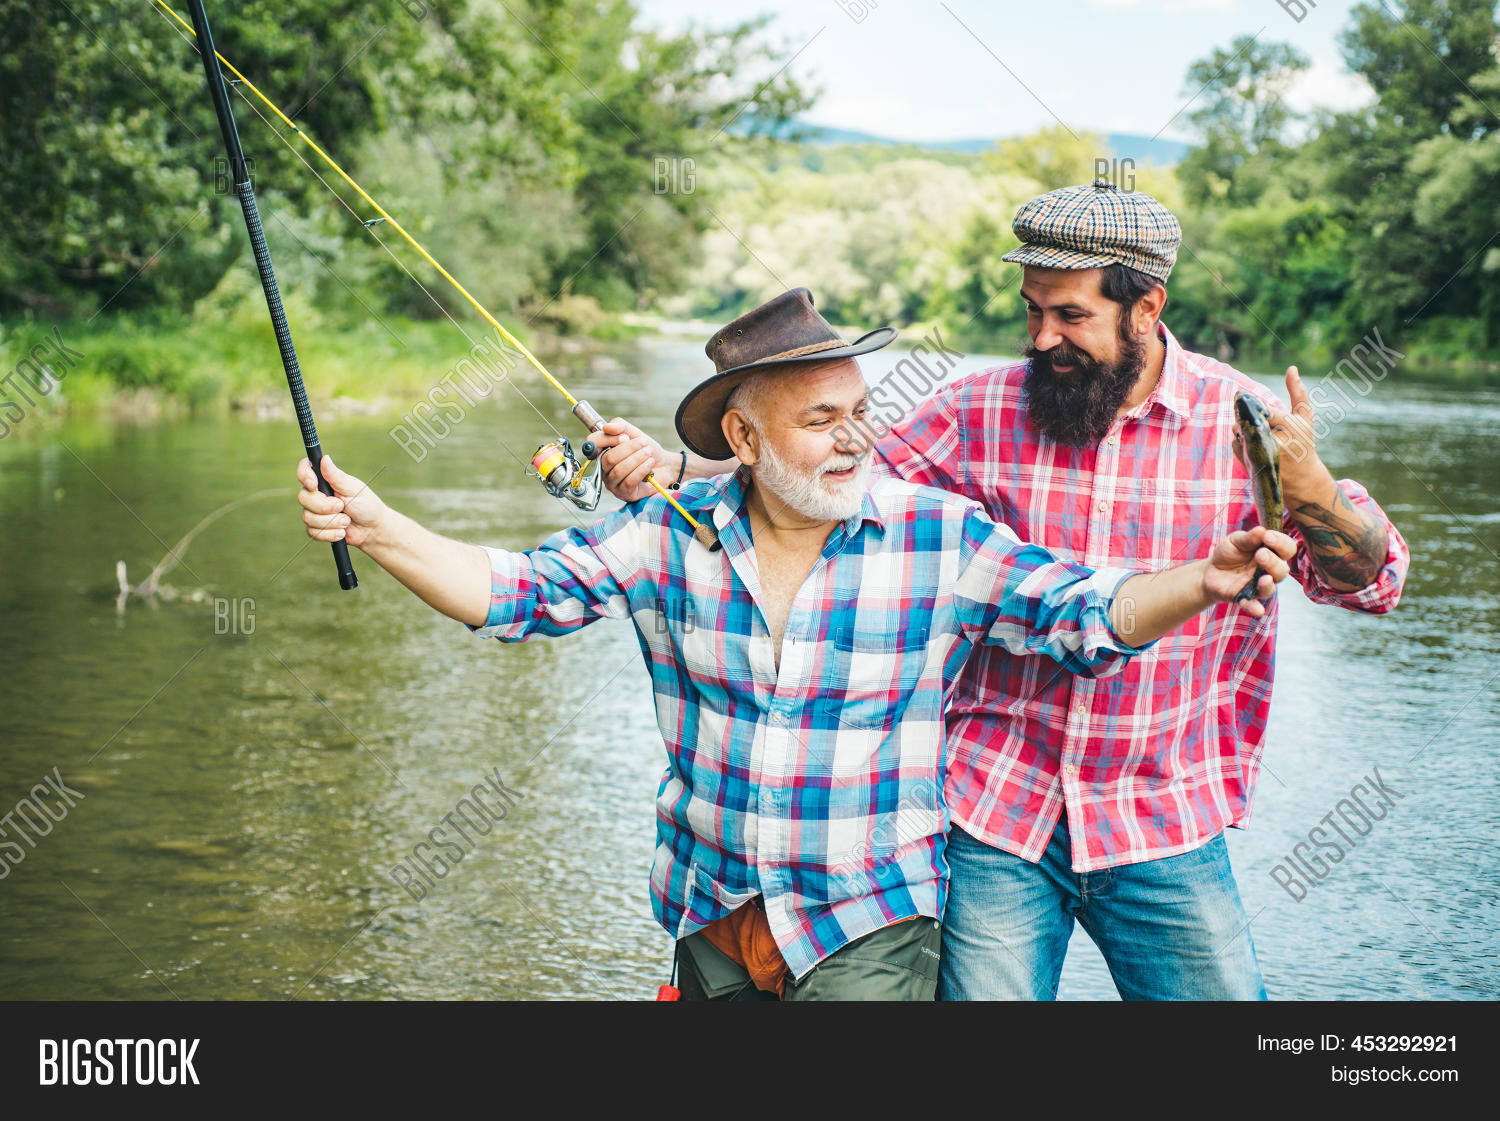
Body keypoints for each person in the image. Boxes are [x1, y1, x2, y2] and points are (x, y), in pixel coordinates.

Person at [298, 287, 1297, 1001]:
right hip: (714, 918)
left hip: (870, 917)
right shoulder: (663, 534)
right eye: (821, 420)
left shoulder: (934, 532)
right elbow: (513, 592)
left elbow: (1085, 611)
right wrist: (377, 524)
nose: (856, 437)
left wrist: (1201, 582)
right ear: (743, 440)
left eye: (860, 411)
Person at [597, 184, 1409, 1001]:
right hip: (993, 810)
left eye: (1069, 316)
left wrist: (1312, 490)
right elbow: (822, 488)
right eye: (1032, 311)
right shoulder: (976, 409)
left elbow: (1375, 583)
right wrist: (679, 474)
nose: (1042, 336)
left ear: (1145, 307)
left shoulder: (1247, 423)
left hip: (1160, 810)